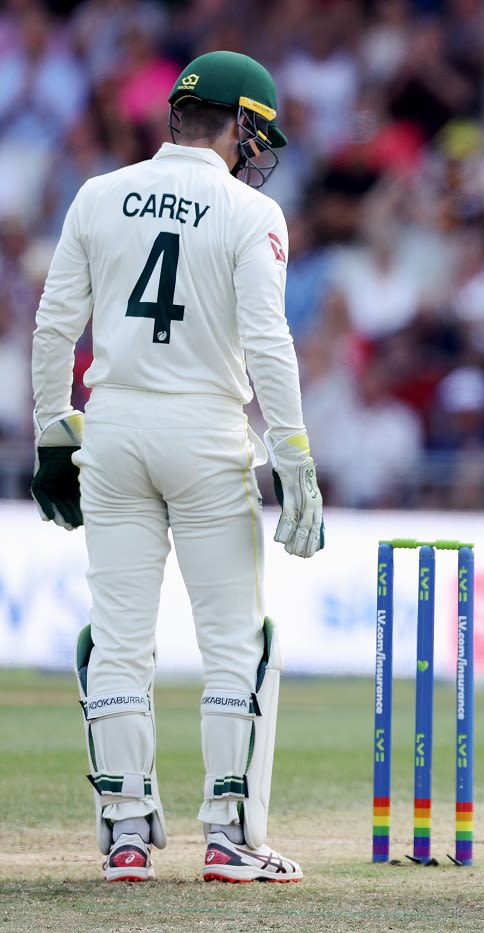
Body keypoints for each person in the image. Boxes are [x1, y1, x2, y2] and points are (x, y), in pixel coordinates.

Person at [29, 50, 323, 883]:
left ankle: (125, 833)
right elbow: (269, 340)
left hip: (113, 427)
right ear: (239, 124)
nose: (259, 149)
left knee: (119, 639)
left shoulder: (97, 194)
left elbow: (54, 327)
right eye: (257, 133)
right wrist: (293, 454)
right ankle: (231, 839)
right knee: (235, 640)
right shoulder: (246, 212)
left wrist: (54, 431)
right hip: (203, 434)